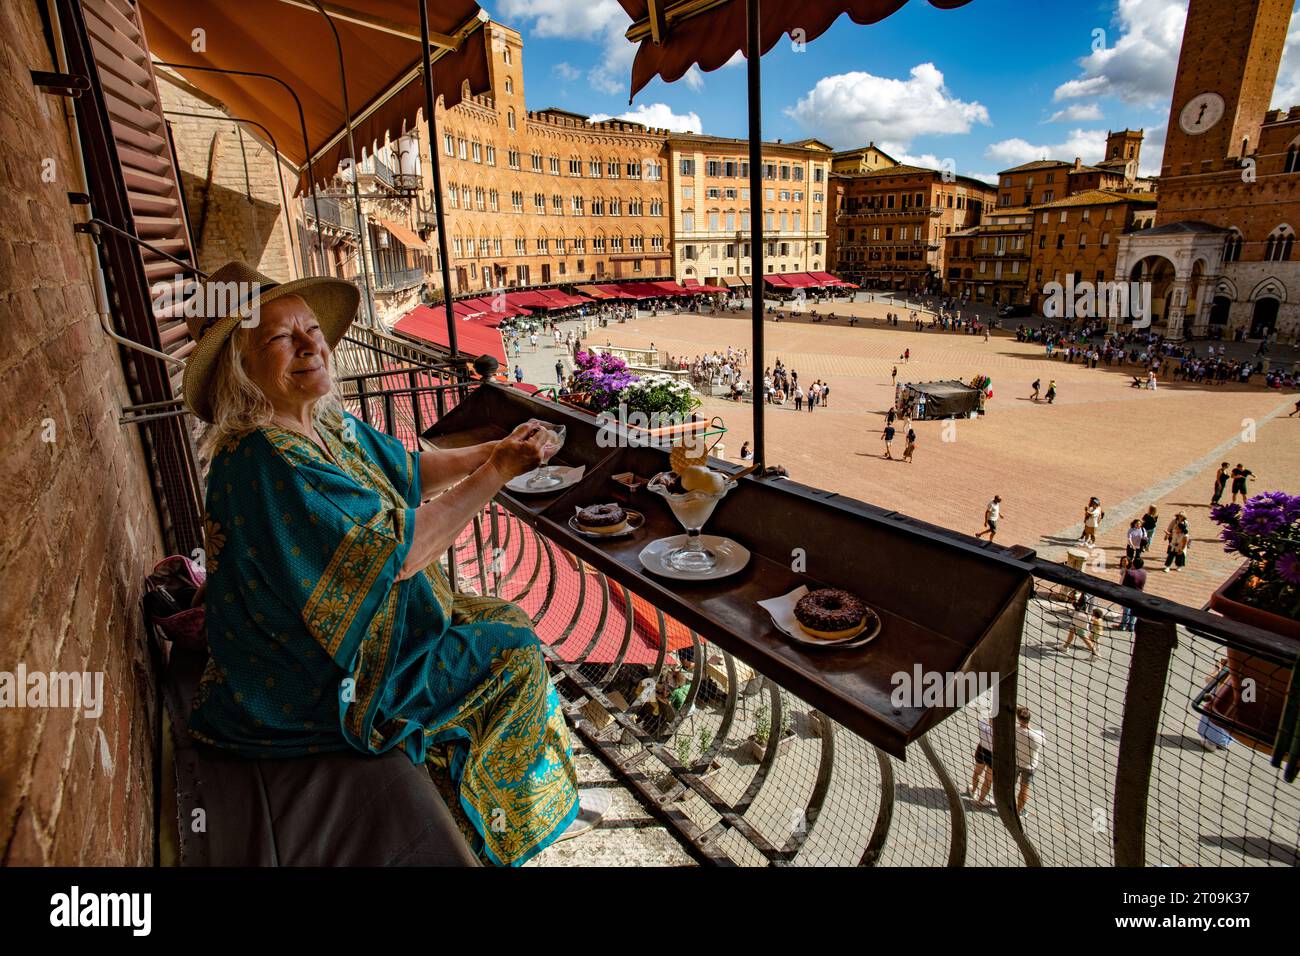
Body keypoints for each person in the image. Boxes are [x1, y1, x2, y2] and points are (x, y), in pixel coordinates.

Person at [181, 261, 595, 867]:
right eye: (279, 337)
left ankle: (481, 789)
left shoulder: (319, 422)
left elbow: (407, 471)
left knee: (498, 613)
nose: (309, 344)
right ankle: (492, 831)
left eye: (311, 329)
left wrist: (496, 449)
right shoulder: (270, 461)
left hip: (342, 633)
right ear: (242, 368)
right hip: (313, 679)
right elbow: (401, 554)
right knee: (511, 652)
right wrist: (500, 471)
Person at [1014, 706, 1044, 815]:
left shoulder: (1014, 731)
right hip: (1030, 765)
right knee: (1024, 788)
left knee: (1010, 785)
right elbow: (1042, 744)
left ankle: (1007, 805)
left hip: (1016, 762)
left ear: (1018, 718)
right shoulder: (1038, 735)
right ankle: (1018, 811)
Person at [968, 715, 994, 806]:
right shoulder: (1001, 733)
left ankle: (973, 790)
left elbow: (983, 717)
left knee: (977, 772)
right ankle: (981, 799)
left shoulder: (983, 725)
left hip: (982, 751)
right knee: (988, 779)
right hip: (993, 756)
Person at [1119, 556, 1147, 631]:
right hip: (1138, 594)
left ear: (1133, 564)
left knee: (1126, 610)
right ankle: (1131, 627)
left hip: (1128, 594)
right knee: (1134, 611)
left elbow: (1124, 584)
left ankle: (1123, 626)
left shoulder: (1129, 572)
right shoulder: (1144, 573)